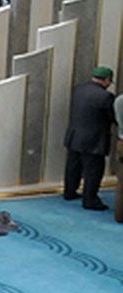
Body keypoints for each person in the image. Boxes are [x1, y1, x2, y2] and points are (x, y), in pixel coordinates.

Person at [63, 67, 117, 211]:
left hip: (74, 135)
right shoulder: (105, 97)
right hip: (94, 139)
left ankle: (69, 191)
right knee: (93, 170)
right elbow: (112, 117)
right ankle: (90, 199)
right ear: (106, 81)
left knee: (73, 166)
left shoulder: (79, 89)